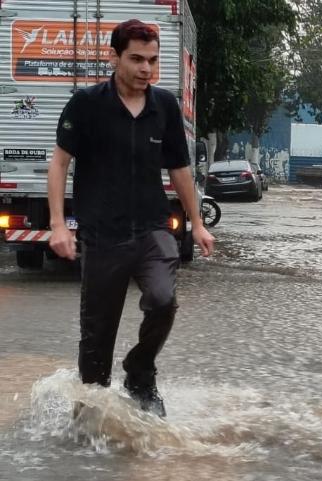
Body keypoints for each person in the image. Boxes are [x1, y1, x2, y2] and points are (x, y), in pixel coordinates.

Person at [47, 19, 215, 418]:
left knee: (163, 301)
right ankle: (87, 424)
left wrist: (198, 223)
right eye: (137, 59)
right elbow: (59, 164)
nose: (146, 69)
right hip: (103, 235)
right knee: (96, 343)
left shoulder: (165, 107)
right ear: (114, 57)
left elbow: (179, 170)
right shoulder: (86, 104)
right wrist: (57, 224)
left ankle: (140, 373)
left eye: (153, 60)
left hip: (152, 230)